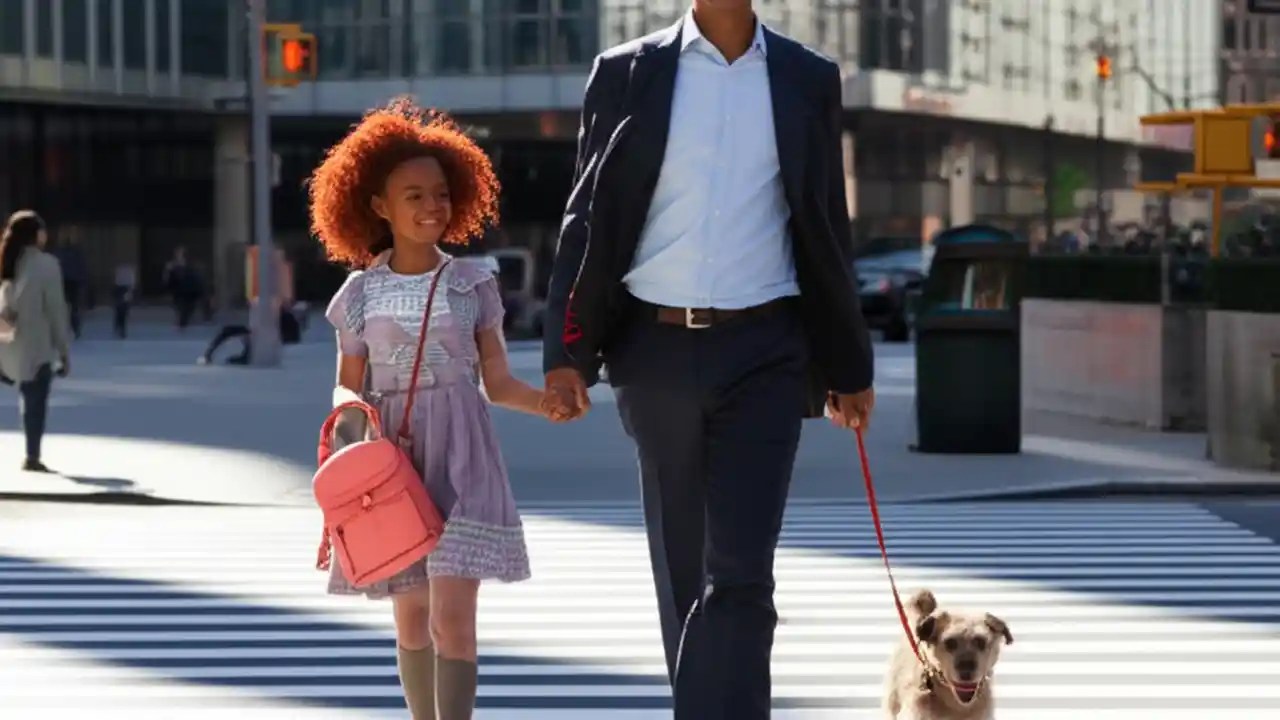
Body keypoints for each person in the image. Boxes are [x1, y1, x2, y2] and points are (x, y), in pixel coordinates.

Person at [540, 2, 876, 718]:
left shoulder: (806, 77)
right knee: (687, 574)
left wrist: (849, 365)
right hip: (653, 348)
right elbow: (586, 219)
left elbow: (825, 221)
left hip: (766, 349)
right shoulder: (626, 73)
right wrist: (567, 353)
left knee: (745, 576)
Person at [308, 97, 550, 720]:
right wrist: (354, 421)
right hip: (395, 462)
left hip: (464, 456)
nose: (431, 206)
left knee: (455, 621)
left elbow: (497, 382)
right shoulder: (358, 293)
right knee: (412, 618)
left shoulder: (474, 283)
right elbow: (345, 383)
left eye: (440, 193)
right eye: (412, 195)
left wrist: (549, 404)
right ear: (379, 207)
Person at [0, 210, 72, 473]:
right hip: (37, 346)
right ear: (35, 234)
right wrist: (64, 352)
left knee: (26, 393)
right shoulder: (47, 265)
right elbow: (56, 311)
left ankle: (31, 455)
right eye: (42, 229)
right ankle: (32, 456)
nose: (46, 234)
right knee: (34, 400)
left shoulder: (7, 261)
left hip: (7, 344)